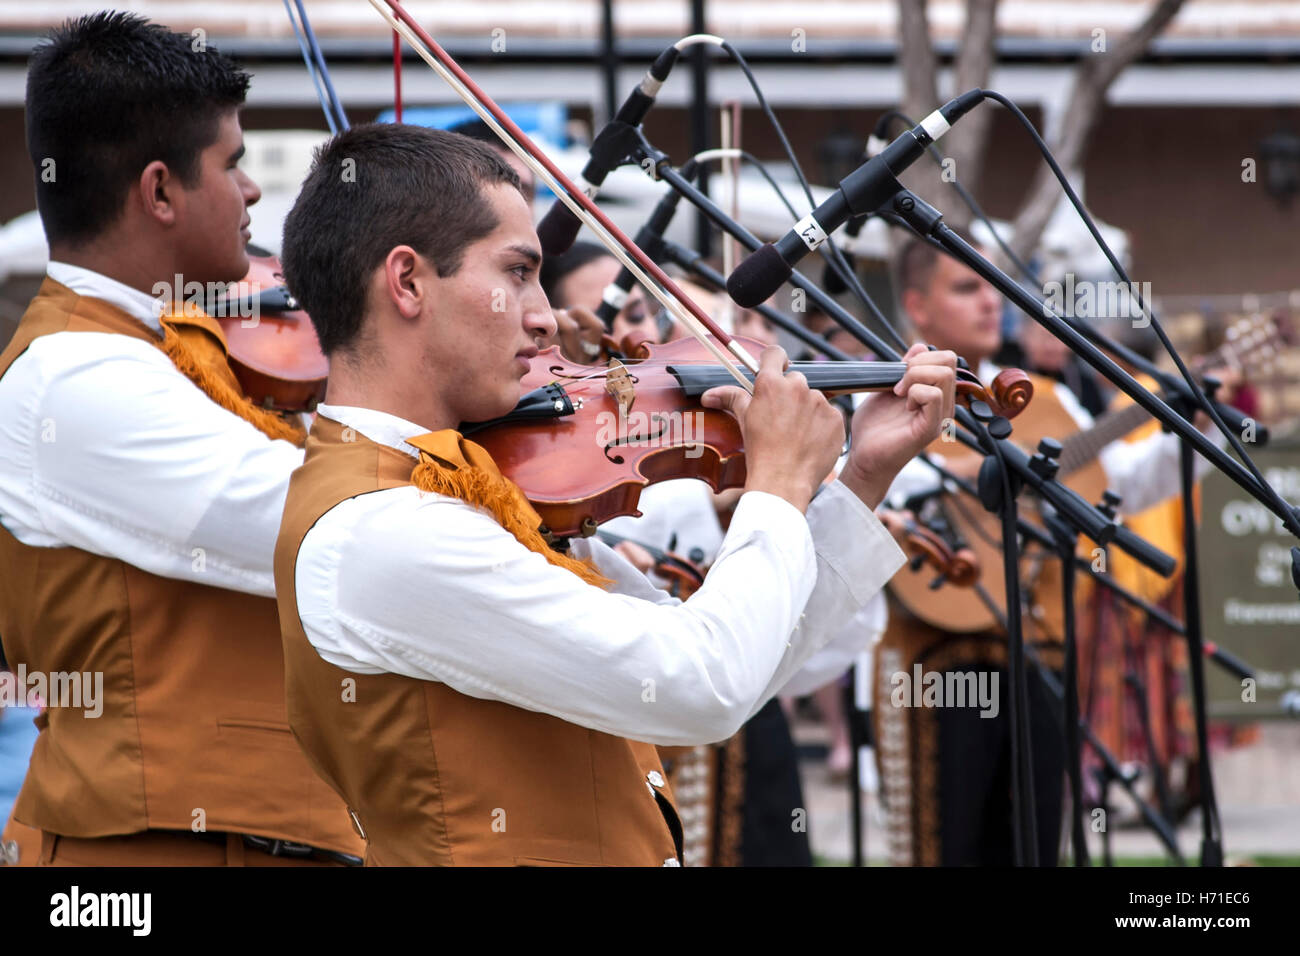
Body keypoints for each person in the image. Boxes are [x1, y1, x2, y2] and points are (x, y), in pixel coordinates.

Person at [274, 122, 957, 866]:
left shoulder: (485, 485)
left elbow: (732, 657)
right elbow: (702, 685)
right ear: (406, 282)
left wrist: (861, 479)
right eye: (516, 273)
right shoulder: (384, 529)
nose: (544, 316)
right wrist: (778, 485)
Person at [0, 11, 363, 866]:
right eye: (232, 164)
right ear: (160, 192)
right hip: (157, 850)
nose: (253, 193)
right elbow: (327, 530)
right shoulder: (78, 378)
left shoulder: (166, 347)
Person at [874, 229, 1217, 866]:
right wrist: (972, 483)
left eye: (993, 286)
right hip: (939, 663)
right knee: (941, 848)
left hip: (1041, 655)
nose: (989, 302)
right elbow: (867, 487)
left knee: (1032, 846)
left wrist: (1188, 428)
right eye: (967, 286)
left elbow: (1125, 483)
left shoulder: (1045, 399)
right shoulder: (886, 400)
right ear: (917, 306)